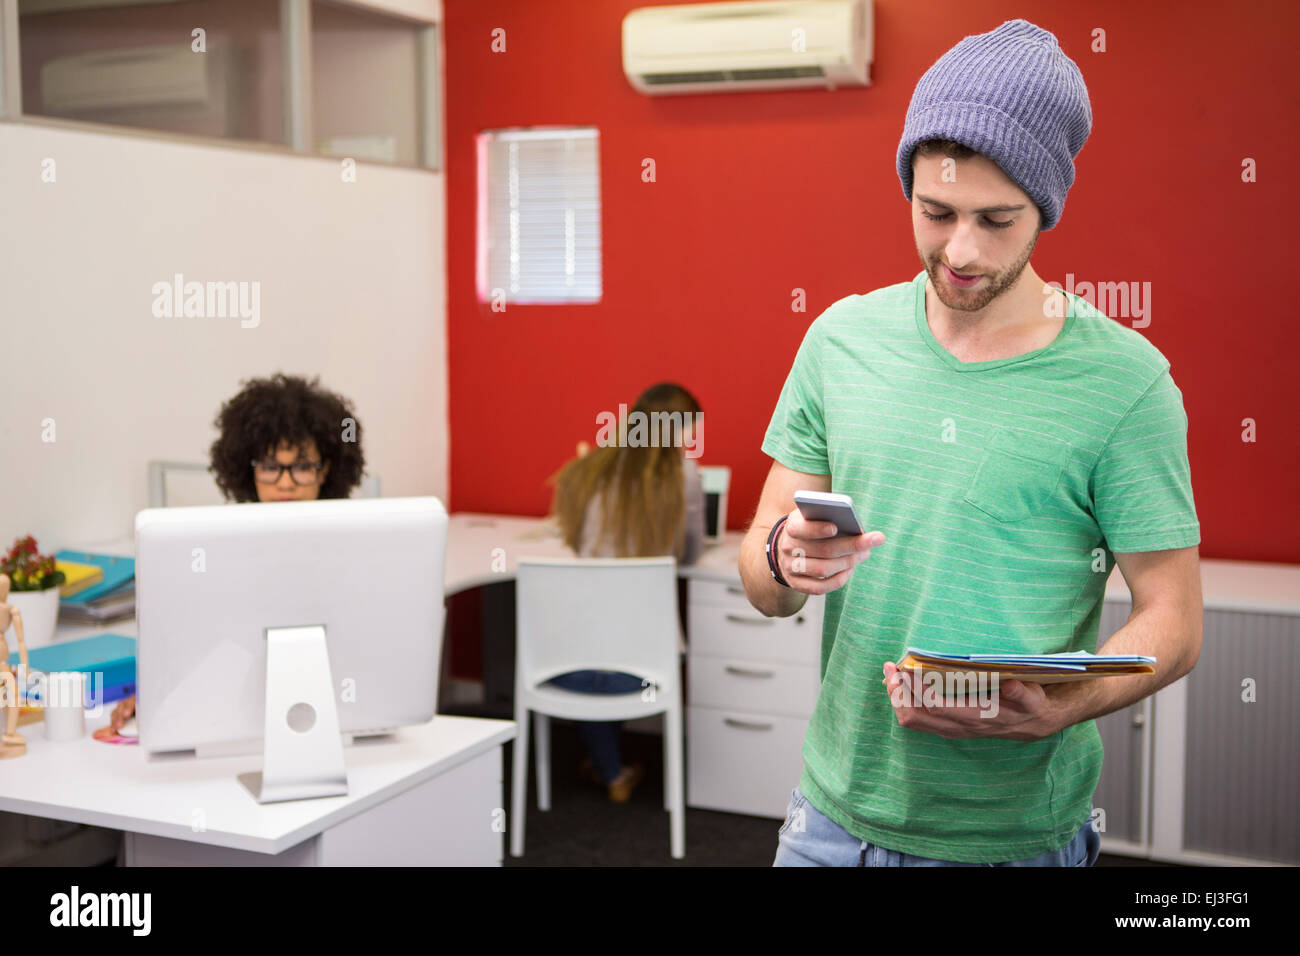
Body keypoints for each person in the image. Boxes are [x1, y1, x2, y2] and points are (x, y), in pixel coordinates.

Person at [740, 19, 1202, 867]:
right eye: (936, 212)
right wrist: (783, 556)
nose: (959, 251)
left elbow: (1174, 615)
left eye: (996, 219)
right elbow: (766, 584)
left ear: (1046, 208)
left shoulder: (1126, 383)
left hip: (1011, 839)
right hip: (830, 823)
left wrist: (1067, 702)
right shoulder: (839, 340)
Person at [107, 373, 366, 732]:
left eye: (303, 466)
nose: (286, 482)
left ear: (328, 471)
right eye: (270, 467)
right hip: (240, 716)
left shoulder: (354, 548)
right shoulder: (221, 550)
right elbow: (200, 645)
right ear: (248, 470)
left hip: (337, 715)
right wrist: (159, 694)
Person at [545, 383, 705, 802]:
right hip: (646, 667)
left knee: (600, 656)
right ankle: (613, 771)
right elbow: (688, 554)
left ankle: (609, 768)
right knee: (616, 654)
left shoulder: (584, 471)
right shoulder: (683, 476)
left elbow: (577, 542)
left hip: (566, 663)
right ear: (677, 428)